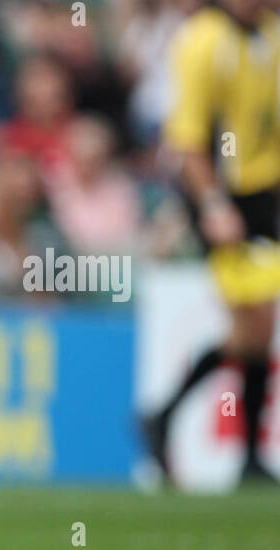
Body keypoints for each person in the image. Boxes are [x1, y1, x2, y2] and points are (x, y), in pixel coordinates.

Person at [146, 0, 280, 483]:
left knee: (254, 329)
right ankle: (239, 452)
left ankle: (168, 418)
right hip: (224, 196)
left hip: (263, 195)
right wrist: (213, 205)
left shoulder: (270, 34)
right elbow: (189, 137)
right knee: (256, 321)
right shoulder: (203, 40)